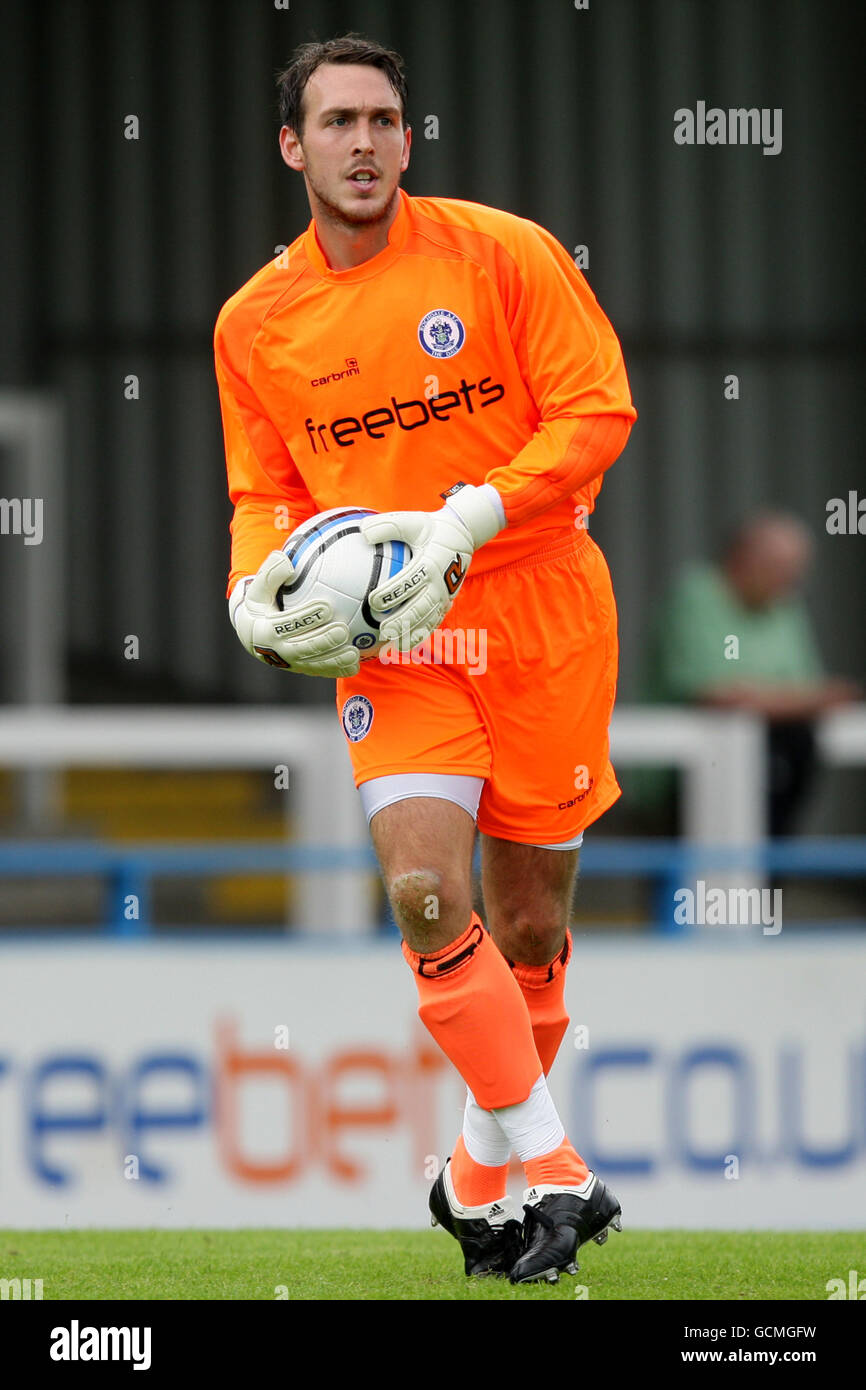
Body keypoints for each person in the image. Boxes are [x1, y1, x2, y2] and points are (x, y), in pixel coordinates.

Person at [215, 34, 636, 1284]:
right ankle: (560, 1170)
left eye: (384, 120)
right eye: (337, 121)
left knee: (528, 922)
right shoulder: (257, 321)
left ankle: (474, 1172)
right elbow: (264, 488)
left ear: (410, 137)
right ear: (293, 145)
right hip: (395, 638)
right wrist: (250, 584)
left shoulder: (502, 252)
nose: (364, 143)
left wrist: (470, 517)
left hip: (539, 599)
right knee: (420, 891)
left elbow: (595, 408)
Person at [639, 512, 858, 835]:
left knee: (762, 870)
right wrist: (808, 700)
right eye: (778, 568)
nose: (790, 580)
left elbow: (802, 687)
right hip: (684, 787)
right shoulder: (697, 596)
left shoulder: (784, 606)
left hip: (772, 782)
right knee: (693, 879)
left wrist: (782, 699)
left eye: (796, 571)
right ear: (741, 556)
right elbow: (716, 696)